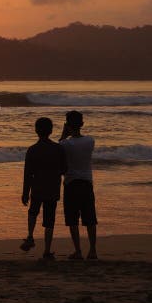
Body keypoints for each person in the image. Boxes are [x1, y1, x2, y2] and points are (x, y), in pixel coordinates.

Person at [20, 117, 67, 260]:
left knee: (33, 212)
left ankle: (30, 236)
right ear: (51, 131)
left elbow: (28, 174)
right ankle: (47, 250)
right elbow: (64, 169)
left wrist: (25, 193)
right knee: (49, 220)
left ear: (36, 131)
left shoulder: (32, 150)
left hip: (37, 188)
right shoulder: (59, 149)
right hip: (52, 188)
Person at [59, 110, 98, 260]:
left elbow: (58, 149)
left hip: (71, 184)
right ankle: (93, 250)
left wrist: (63, 134)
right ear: (82, 124)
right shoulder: (90, 141)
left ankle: (78, 251)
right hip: (86, 183)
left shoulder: (65, 143)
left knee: (72, 219)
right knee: (90, 219)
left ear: (67, 125)